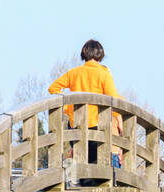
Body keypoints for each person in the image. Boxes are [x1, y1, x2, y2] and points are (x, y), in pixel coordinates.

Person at [48, 39, 123, 172]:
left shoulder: (73, 73)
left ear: (84, 53)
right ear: (100, 54)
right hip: (97, 125)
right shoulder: (104, 74)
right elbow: (114, 99)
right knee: (99, 163)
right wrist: (118, 118)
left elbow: (53, 88)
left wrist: (68, 109)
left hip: (76, 125)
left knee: (82, 161)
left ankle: (84, 181)